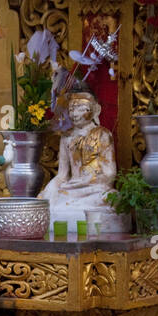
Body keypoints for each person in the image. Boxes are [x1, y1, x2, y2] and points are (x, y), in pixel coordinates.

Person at [39, 90, 117, 229]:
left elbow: (110, 174)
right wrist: (50, 188)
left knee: (110, 198)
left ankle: (73, 206)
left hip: (95, 188)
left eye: (81, 109)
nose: (74, 114)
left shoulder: (103, 134)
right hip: (71, 187)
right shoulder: (66, 137)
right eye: (71, 110)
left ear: (94, 110)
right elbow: (63, 174)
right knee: (46, 199)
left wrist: (89, 180)